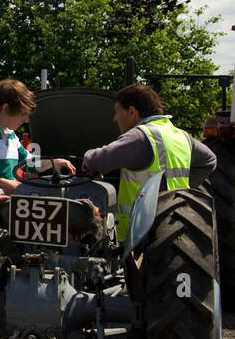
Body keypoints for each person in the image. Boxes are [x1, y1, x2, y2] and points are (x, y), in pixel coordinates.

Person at [83, 83, 216, 239]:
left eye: (117, 112)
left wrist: (87, 157)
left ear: (132, 111)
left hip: (141, 231)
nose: (115, 119)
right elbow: (209, 161)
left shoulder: (139, 137)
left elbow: (96, 161)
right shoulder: (180, 135)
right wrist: (184, 189)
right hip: (178, 221)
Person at [0, 79, 74, 230]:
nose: (26, 120)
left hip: (5, 214)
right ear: (5, 108)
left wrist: (53, 162)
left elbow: (29, 164)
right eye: (23, 114)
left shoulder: (10, 135)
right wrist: (2, 183)